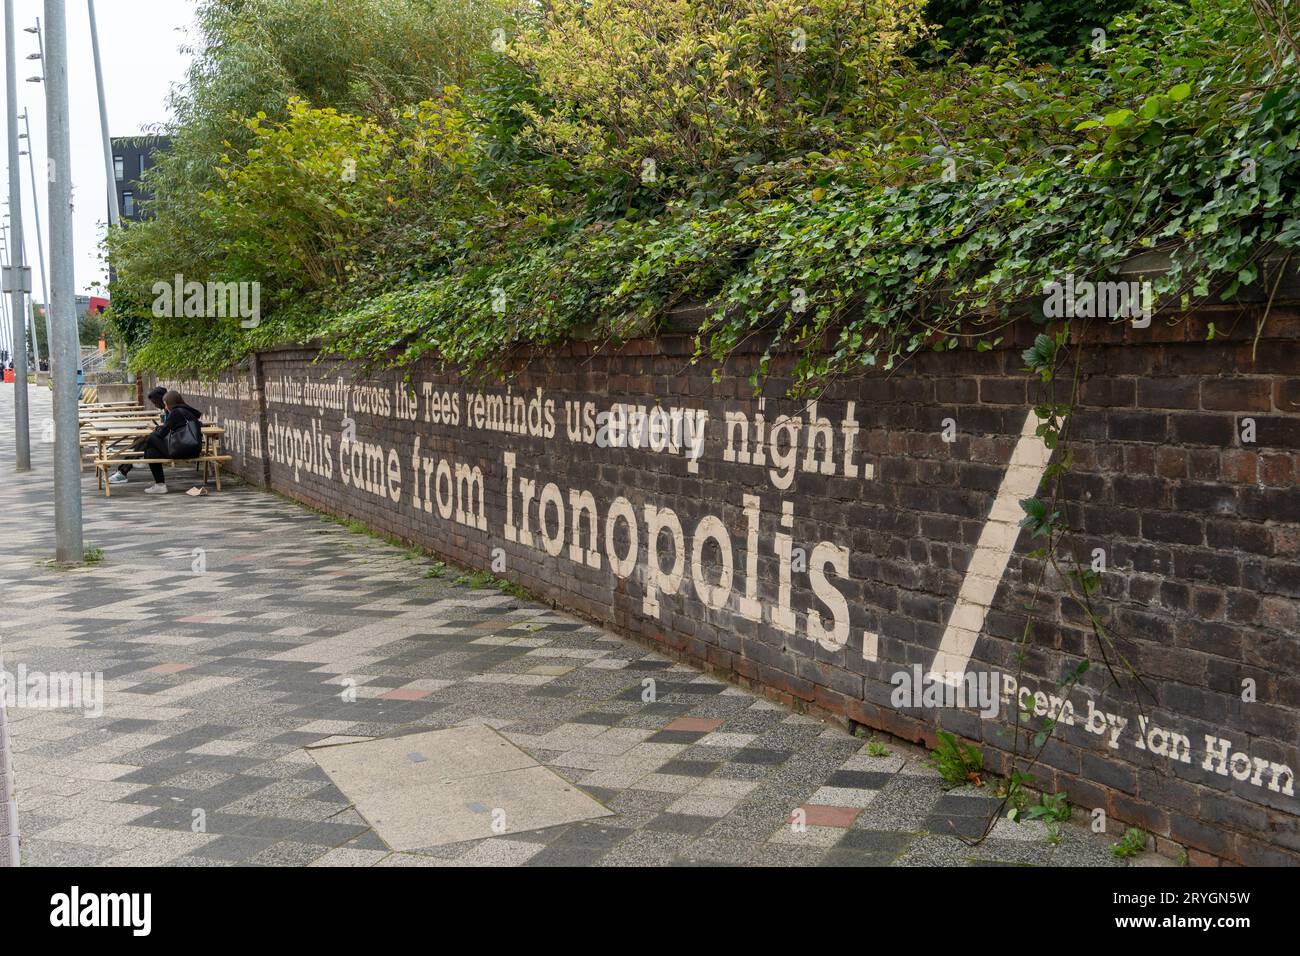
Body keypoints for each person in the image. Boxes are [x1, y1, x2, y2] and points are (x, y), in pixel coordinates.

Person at [139, 391, 204, 495]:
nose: (165, 407)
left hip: (181, 450)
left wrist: (155, 427)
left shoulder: (176, 412)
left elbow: (162, 433)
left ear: (169, 403)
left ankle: (143, 460)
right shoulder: (189, 411)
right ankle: (159, 485)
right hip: (194, 450)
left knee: (152, 437)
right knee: (151, 452)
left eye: (165, 404)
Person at [108, 386, 168, 484]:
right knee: (140, 439)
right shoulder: (168, 410)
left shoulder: (172, 410)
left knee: (145, 440)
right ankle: (127, 466)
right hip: (167, 441)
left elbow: (168, 430)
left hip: (171, 445)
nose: (155, 405)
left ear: (162, 399)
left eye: (155, 402)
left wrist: (156, 428)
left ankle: (124, 470)